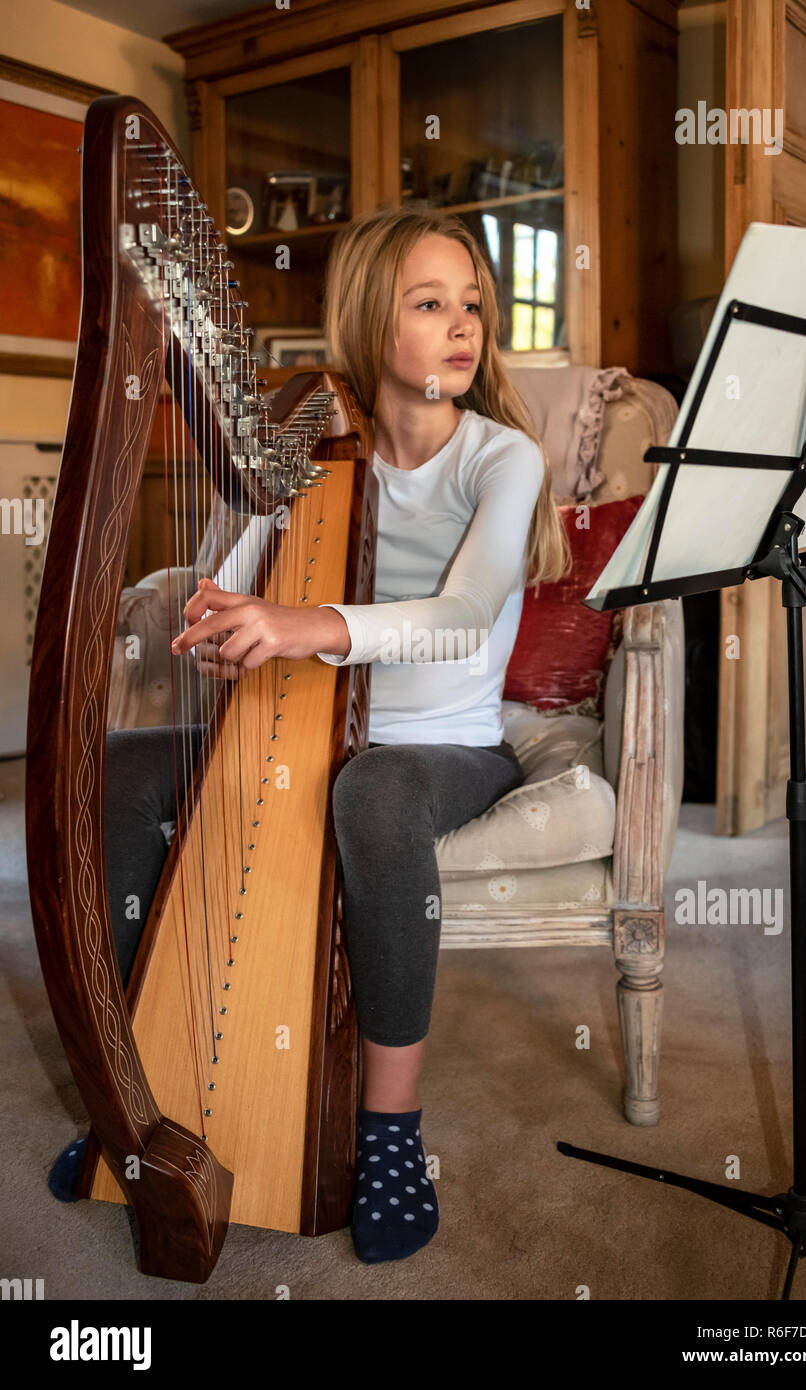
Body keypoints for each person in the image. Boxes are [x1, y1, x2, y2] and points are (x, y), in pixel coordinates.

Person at [52, 205, 571, 1267]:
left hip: (443, 748)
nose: (462, 326)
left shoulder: (501, 457)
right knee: (118, 771)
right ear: (373, 321)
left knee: (372, 790)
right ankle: (133, 1094)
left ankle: (390, 1132)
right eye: (429, 304)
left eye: (472, 304)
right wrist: (223, 626)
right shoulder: (309, 453)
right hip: (299, 732)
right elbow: (229, 590)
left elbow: (464, 615)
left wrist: (304, 626)